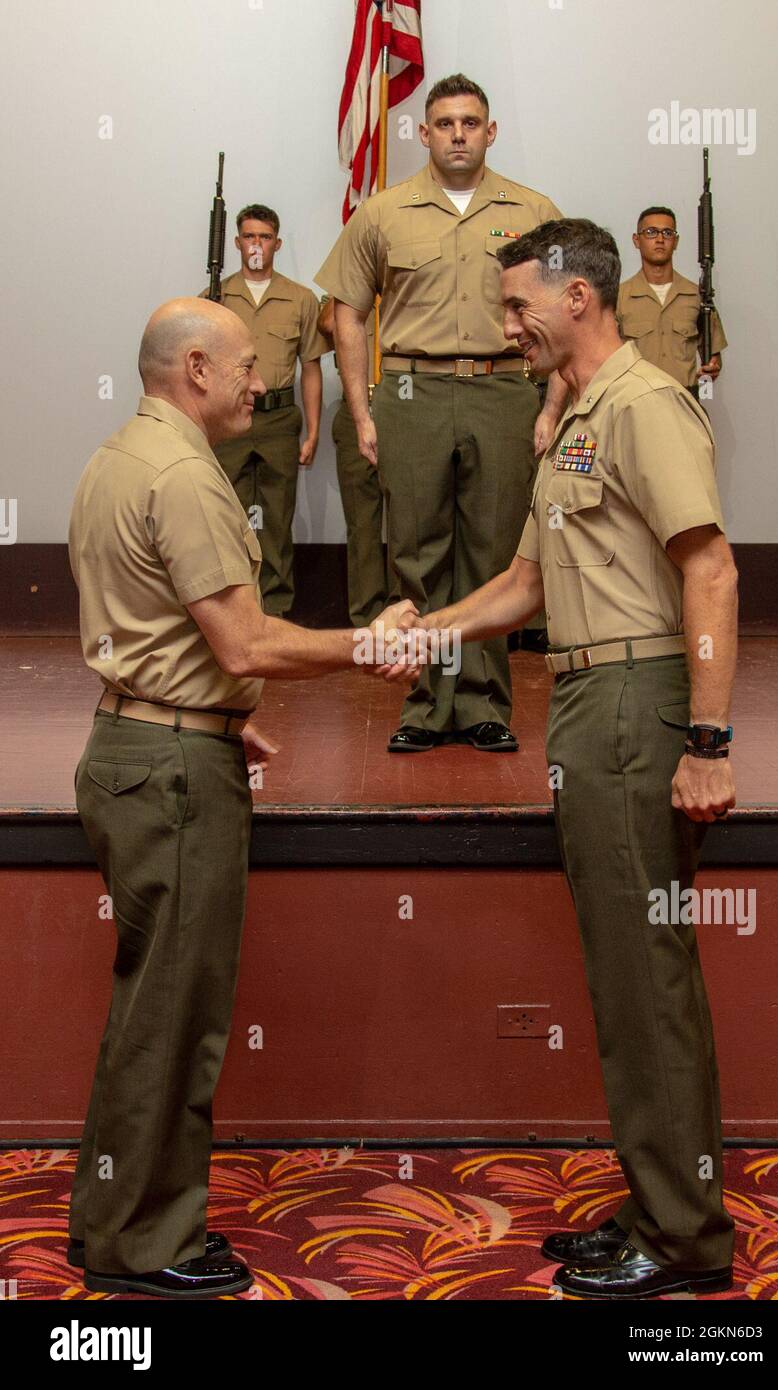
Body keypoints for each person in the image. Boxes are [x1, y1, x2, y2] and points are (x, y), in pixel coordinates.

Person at [67, 297, 421, 1299]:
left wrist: (225, 714)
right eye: (249, 366)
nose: (262, 382)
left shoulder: (117, 459)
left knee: (151, 1007)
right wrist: (368, 642)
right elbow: (247, 641)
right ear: (196, 368)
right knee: (176, 1015)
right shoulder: (186, 476)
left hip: (133, 742)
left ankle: (115, 1221)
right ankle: (145, 1242)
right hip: (171, 775)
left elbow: (145, 627)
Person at [416, 220, 739, 1298]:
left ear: (581, 298)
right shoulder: (573, 420)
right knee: (622, 968)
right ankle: (659, 1197)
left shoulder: (643, 404)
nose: (507, 328)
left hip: (639, 701)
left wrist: (708, 738)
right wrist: (425, 636)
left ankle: (686, 1235)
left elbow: (713, 570)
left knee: (648, 978)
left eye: (519, 307)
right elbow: (525, 584)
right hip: (589, 698)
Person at [316, 73, 567, 754]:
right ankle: (426, 703)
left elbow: (561, 309)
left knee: (491, 553)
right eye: (445, 123)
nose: (458, 133)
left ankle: (484, 704)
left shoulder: (532, 209)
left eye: (470, 122)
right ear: (422, 133)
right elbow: (346, 309)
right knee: (417, 551)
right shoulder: (382, 212)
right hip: (411, 394)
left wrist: (551, 406)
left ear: (490, 132)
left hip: (500, 391)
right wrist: (363, 411)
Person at [201, 204, 329, 614]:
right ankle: (235, 610)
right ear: (237, 243)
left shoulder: (300, 299)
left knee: (276, 519)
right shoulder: (215, 298)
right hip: (229, 421)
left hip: (278, 419)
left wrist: (312, 430)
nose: (257, 244)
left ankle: (274, 611)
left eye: (265, 237)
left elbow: (310, 367)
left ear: (277, 243)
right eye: (250, 237)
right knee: (227, 516)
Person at [318, 295, 389, 627]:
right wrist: (353, 285)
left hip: (404, 405)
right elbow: (329, 323)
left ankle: (408, 611)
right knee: (362, 522)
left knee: (412, 519)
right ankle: (368, 618)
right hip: (356, 407)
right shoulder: (347, 296)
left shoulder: (405, 286)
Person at [616, 206, 727, 399]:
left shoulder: (696, 296)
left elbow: (714, 353)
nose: (660, 239)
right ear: (636, 240)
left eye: (667, 233)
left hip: (684, 400)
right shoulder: (619, 297)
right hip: (635, 402)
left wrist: (712, 369)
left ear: (676, 241)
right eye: (651, 232)